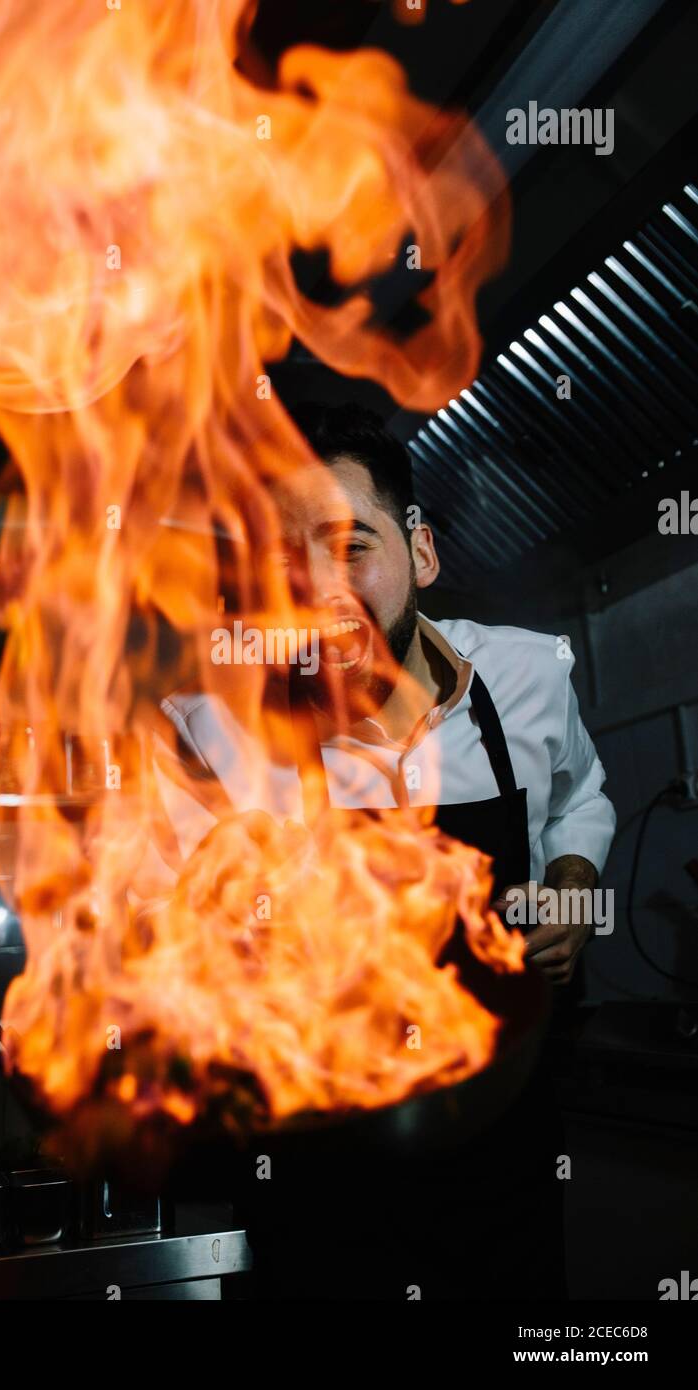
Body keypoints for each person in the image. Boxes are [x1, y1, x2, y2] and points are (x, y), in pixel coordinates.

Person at [149, 401, 617, 1299]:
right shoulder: (210, 739)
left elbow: (580, 796)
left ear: (423, 555)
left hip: (505, 1147)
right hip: (319, 1169)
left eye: (350, 545)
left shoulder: (524, 680)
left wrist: (570, 879)